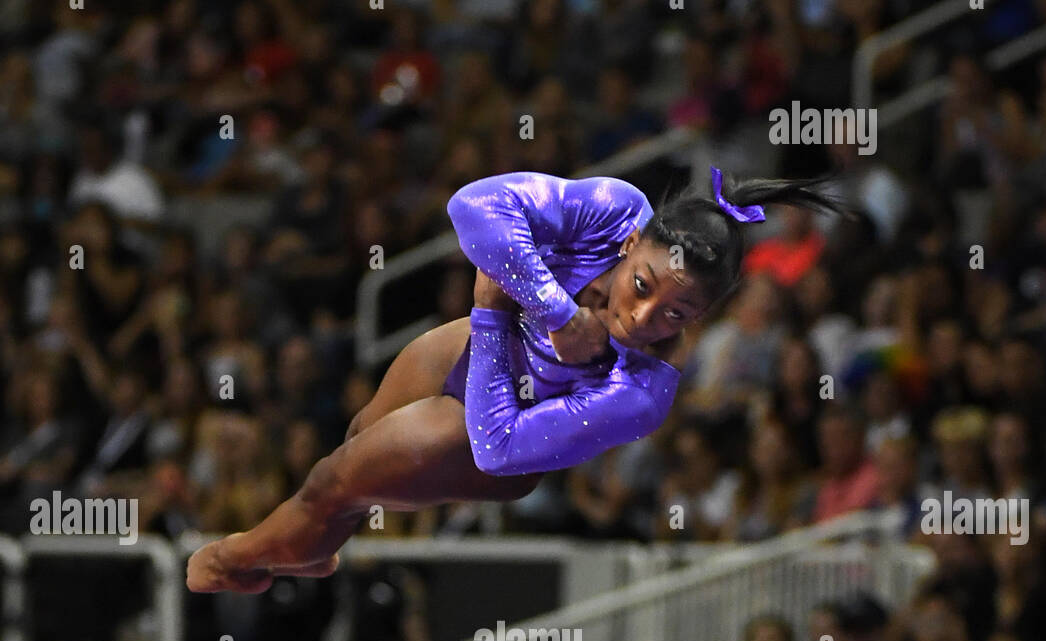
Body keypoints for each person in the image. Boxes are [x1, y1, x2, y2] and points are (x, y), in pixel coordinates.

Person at [185, 166, 841, 594]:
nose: (642, 318)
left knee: (335, 481)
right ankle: (308, 552)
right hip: (478, 348)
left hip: (491, 441)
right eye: (641, 287)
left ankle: (235, 558)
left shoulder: (645, 390)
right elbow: (471, 205)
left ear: (704, 316)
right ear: (630, 242)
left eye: (676, 314)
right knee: (357, 439)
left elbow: (499, 443)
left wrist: (497, 310)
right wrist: (555, 310)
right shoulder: (614, 208)